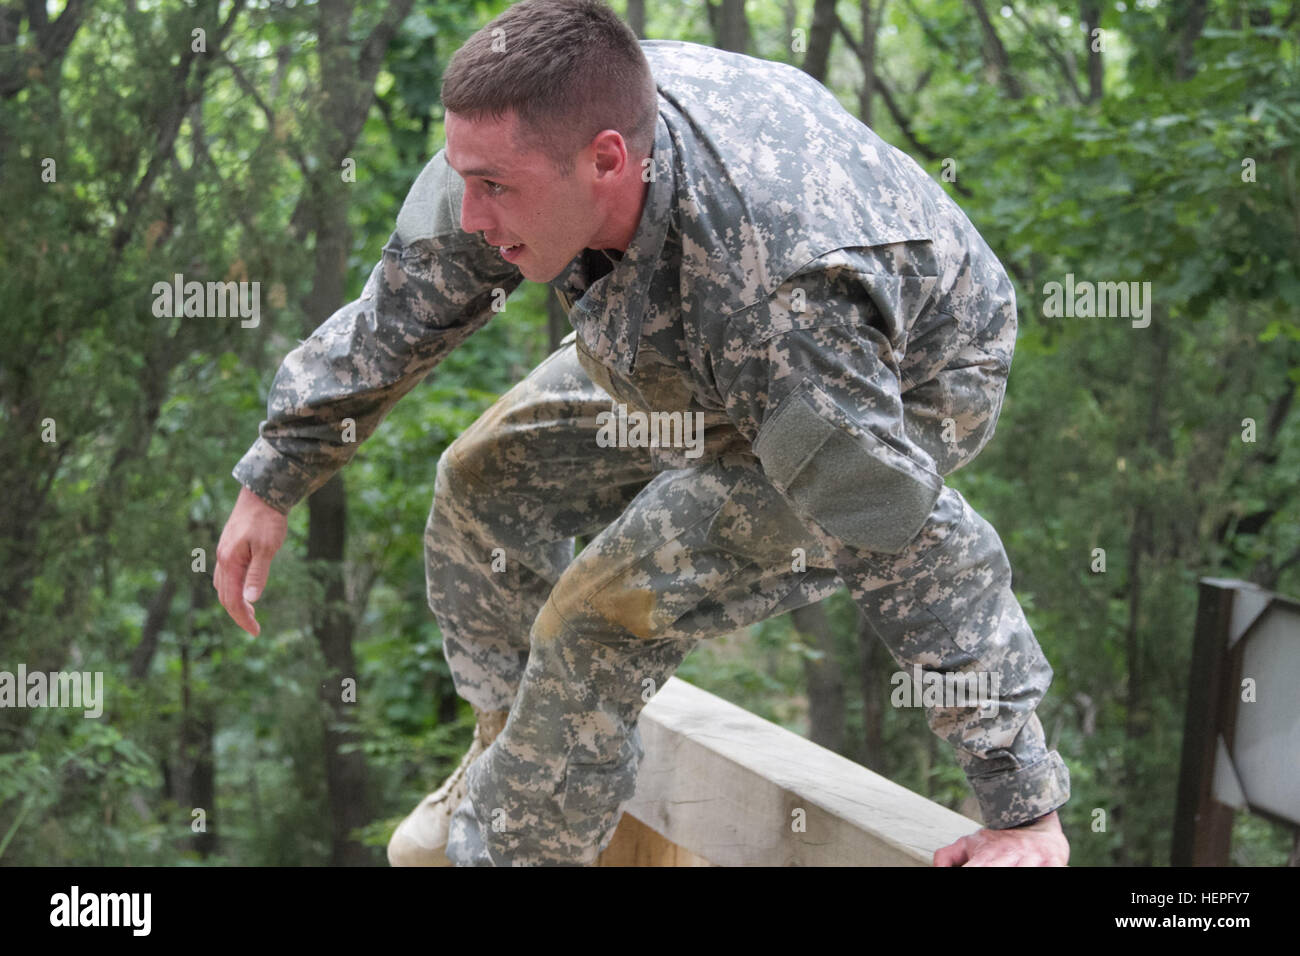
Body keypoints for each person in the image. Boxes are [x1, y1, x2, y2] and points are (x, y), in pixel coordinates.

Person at [213, 0, 1070, 867]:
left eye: (495, 190)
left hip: (896, 379)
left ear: (606, 162)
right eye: (464, 177)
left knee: (598, 617)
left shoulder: (781, 301)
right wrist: (274, 477)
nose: (473, 214)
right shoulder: (525, 135)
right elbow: (401, 307)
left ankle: (515, 848)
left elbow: (908, 537)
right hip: (675, 331)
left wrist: (1022, 800)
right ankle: (511, 769)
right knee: (484, 479)